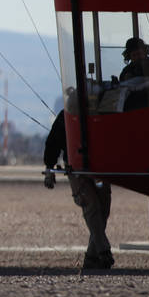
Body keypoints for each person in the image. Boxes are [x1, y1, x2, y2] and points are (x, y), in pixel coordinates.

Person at [43, 111, 114, 269]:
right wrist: (49, 168)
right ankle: (103, 251)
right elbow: (53, 143)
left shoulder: (103, 112)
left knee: (103, 210)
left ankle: (91, 257)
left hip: (100, 168)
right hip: (76, 169)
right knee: (92, 207)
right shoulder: (66, 116)